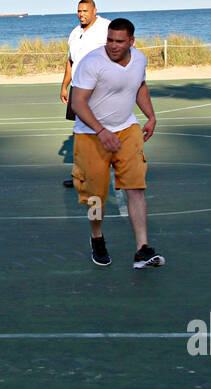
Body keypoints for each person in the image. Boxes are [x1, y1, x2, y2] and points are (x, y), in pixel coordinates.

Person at [68, 17, 165, 269]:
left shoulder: (140, 60)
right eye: (109, 39)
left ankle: (142, 249)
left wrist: (151, 116)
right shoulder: (92, 63)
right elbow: (77, 102)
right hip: (91, 135)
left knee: (136, 187)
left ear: (131, 41)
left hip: (126, 129)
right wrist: (101, 131)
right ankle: (96, 236)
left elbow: (139, 86)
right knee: (95, 197)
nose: (112, 45)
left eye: (119, 41)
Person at [60, 0, 111, 188]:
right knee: (81, 132)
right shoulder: (75, 33)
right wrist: (65, 85)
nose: (81, 14)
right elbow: (70, 62)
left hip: (99, 88)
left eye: (85, 11)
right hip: (78, 89)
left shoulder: (106, 27)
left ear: (94, 11)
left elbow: (124, 48)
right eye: (79, 11)